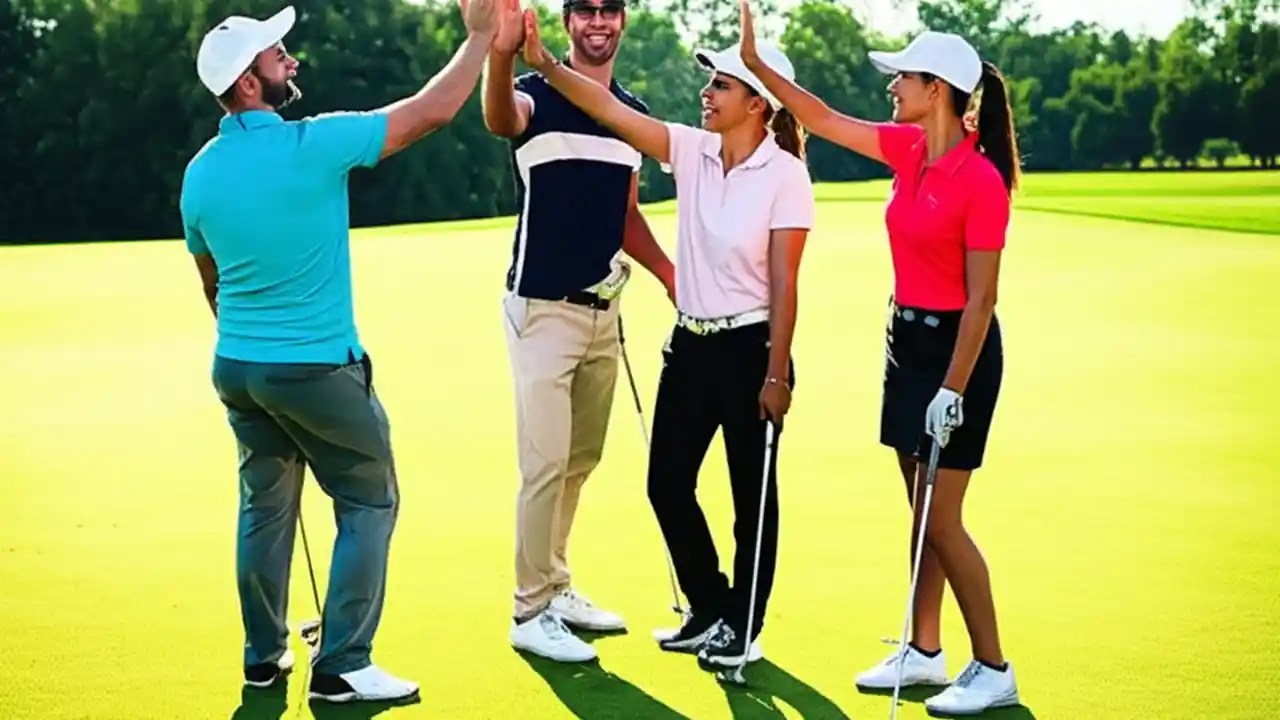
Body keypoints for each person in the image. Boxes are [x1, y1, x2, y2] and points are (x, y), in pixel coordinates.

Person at [180, 0, 509, 703]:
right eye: (276, 56)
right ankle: (343, 663)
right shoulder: (314, 143)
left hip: (238, 369)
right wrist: (480, 36)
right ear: (247, 82)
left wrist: (259, 347)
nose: (289, 60)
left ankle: (263, 658)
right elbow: (430, 113)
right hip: (316, 369)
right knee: (368, 498)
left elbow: (212, 283)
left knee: (263, 510)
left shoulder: (198, 174)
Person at [736, 1, 1021, 714]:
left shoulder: (981, 179)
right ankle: (926, 650)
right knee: (919, 508)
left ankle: (993, 665)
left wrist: (953, 388)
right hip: (907, 343)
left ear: (939, 92)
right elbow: (823, 118)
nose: (891, 87)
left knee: (941, 517)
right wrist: (760, 67)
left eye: (904, 78)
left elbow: (982, 300)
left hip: (960, 350)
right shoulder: (908, 149)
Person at [519, 8, 815, 670]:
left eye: (721, 87)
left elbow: (785, 284)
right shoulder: (694, 148)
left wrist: (776, 374)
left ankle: (743, 625)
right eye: (707, 83)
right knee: (667, 484)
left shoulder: (786, 175)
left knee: (750, 501)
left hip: (750, 352)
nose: (706, 94)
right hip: (690, 349)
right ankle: (710, 605)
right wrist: (544, 66)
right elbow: (607, 107)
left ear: (758, 104)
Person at [481, 0, 677, 663]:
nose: (598, 21)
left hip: (603, 315)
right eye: (585, 10)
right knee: (543, 465)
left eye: (609, 10)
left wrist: (672, 276)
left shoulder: (631, 113)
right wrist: (503, 52)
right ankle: (528, 609)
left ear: (622, 20)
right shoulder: (535, 96)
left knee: (580, 461)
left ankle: (556, 582)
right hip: (541, 310)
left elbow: (625, 214)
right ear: (567, 22)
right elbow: (499, 116)